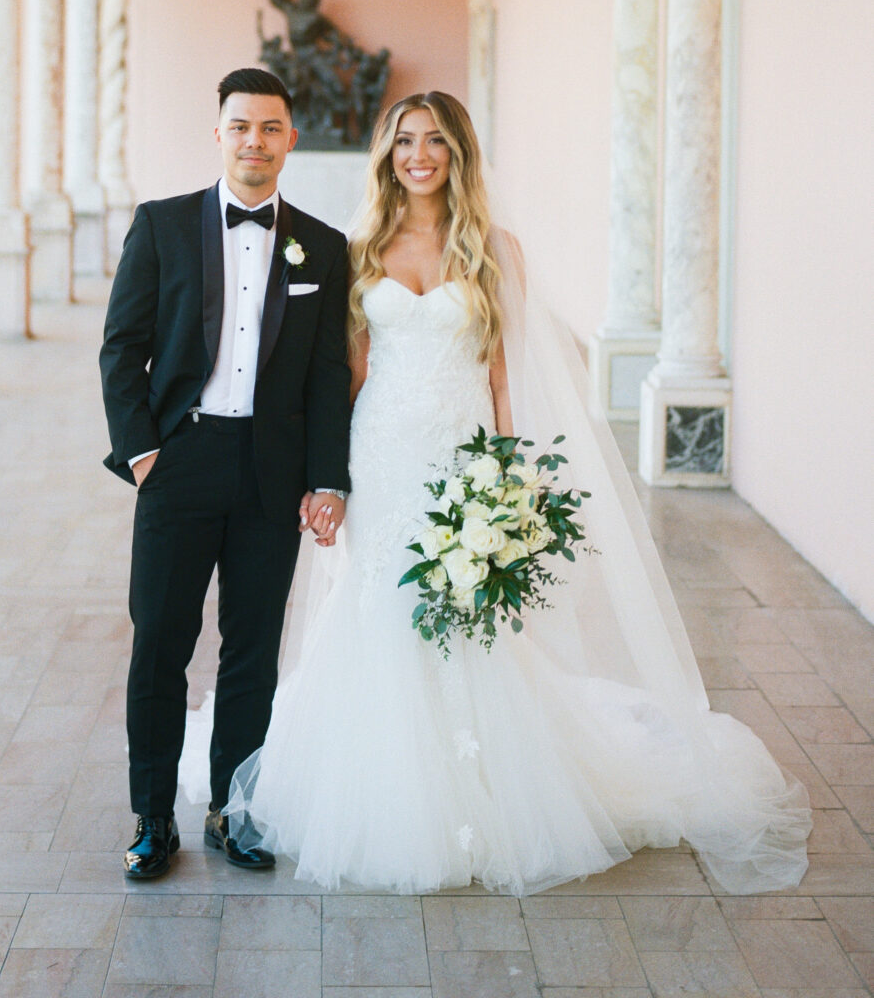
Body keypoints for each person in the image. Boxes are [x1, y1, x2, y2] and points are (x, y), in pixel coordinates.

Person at [225, 90, 811, 895]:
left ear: (458, 151)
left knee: (469, 622)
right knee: (381, 610)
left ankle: (491, 791)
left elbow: (501, 375)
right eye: (403, 142)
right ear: (387, 155)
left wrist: (507, 477)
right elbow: (349, 376)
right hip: (384, 458)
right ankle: (394, 795)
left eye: (433, 140)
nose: (417, 155)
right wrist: (327, 479)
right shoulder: (359, 247)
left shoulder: (496, 248)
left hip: (463, 458)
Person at [100, 67, 351, 881]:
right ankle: (150, 820)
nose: (255, 141)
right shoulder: (162, 225)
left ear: (290, 139)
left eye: (270, 128)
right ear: (219, 134)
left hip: (270, 475)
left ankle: (230, 812)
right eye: (240, 126)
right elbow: (120, 349)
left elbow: (323, 377)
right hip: (180, 463)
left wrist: (326, 479)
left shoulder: (324, 245)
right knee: (159, 649)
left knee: (251, 649)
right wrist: (143, 455)